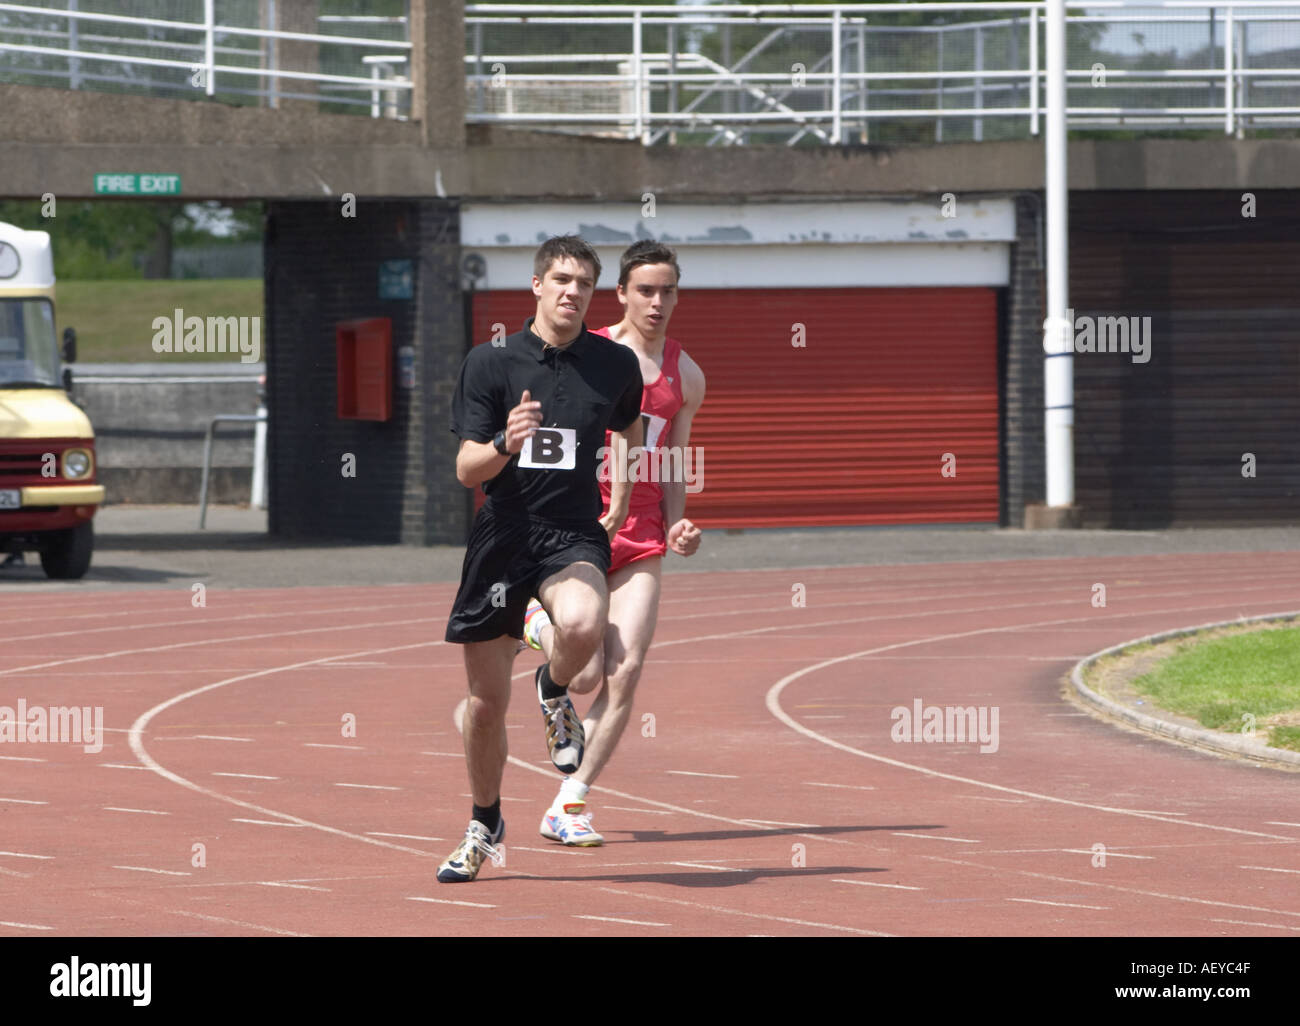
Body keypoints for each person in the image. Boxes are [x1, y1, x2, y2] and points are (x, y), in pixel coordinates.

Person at [438, 235, 644, 883]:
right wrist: (505, 438)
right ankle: (484, 822)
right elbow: (465, 468)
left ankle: (553, 689)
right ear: (535, 285)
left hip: (571, 532)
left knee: (584, 623)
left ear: (593, 293)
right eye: (560, 279)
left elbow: (630, 427)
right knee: (483, 706)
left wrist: (620, 496)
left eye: (582, 282)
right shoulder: (490, 364)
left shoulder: (614, 365)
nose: (570, 291)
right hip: (503, 535)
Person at [523, 240, 707, 846]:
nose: (658, 302)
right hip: (583, 526)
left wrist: (679, 521)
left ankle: (569, 805)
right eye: (646, 290)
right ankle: (536, 624)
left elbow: (675, 458)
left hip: (645, 535)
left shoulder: (686, 373)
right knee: (582, 678)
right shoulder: (589, 357)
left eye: (668, 291)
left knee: (625, 673)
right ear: (621, 294)